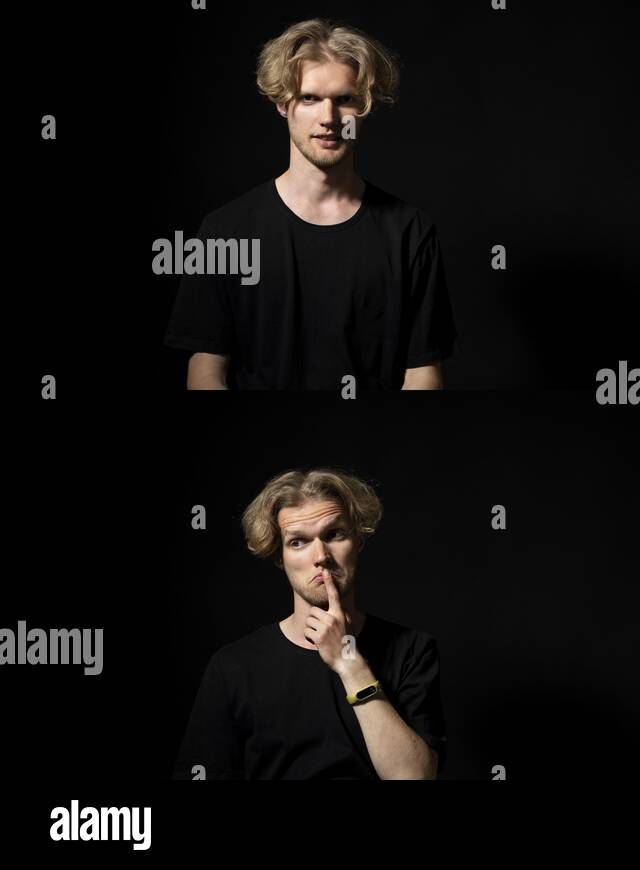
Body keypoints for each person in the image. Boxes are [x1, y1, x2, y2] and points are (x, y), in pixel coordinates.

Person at [164, 19, 456, 390]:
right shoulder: (224, 231)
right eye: (310, 98)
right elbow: (206, 367)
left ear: (364, 107)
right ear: (283, 104)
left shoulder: (410, 232)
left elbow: (422, 372)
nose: (329, 119)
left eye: (345, 99)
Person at [173, 468, 447, 779]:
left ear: (358, 540)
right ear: (279, 556)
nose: (321, 556)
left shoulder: (412, 650)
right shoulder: (233, 667)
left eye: (334, 535)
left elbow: (414, 776)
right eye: (298, 542)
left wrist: (350, 665)